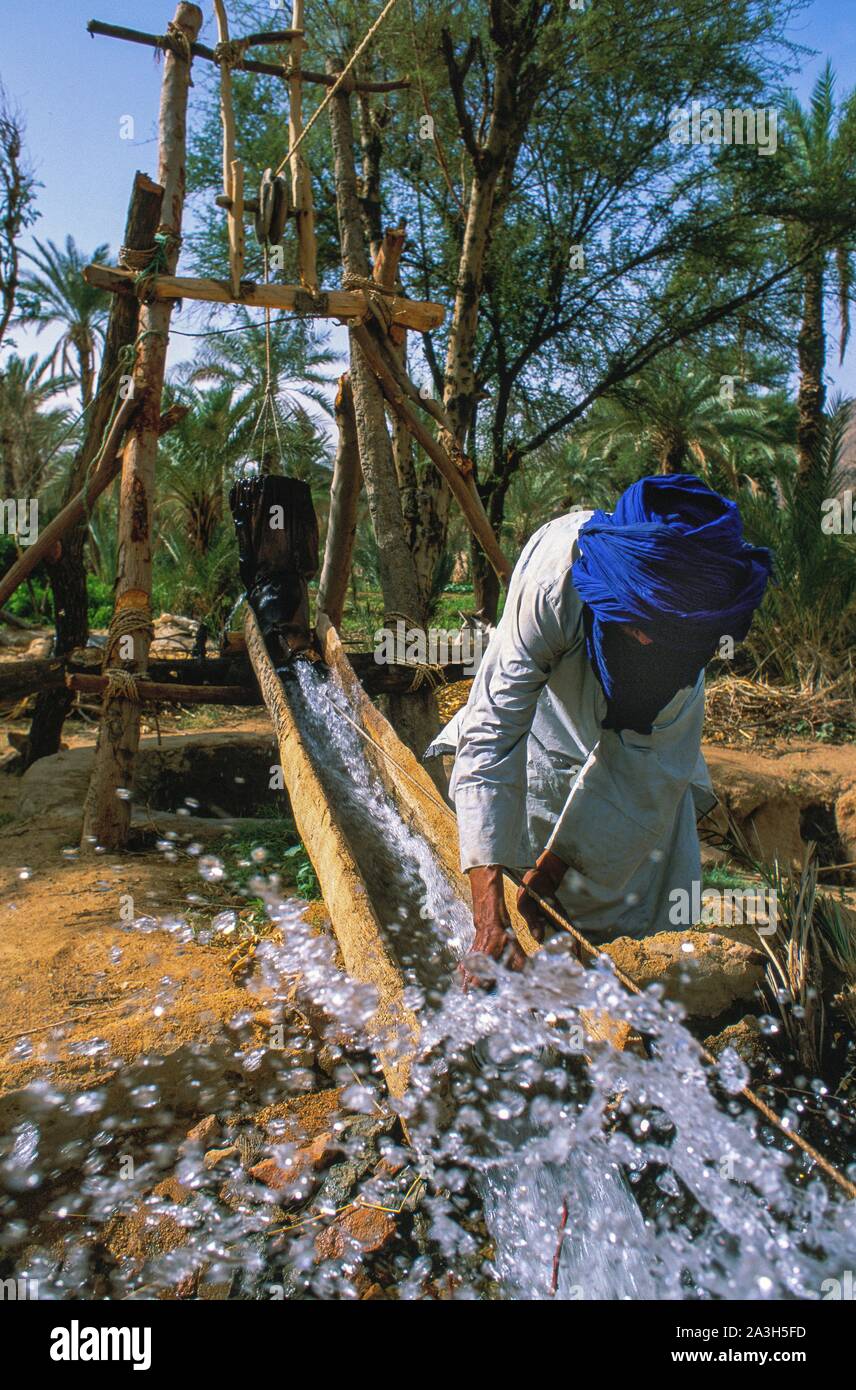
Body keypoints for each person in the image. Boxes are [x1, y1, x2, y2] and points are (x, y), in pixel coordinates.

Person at [428, 474, 771, 985]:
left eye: (663, 632)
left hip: (644, 764)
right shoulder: (555, 580)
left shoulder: (690, 640)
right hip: (547, 720)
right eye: (636, 622)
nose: (646, 640)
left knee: (635, 911)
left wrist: (556, 874)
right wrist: (489, 919)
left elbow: (640, 780)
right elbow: (494, 731)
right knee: (517, 851)